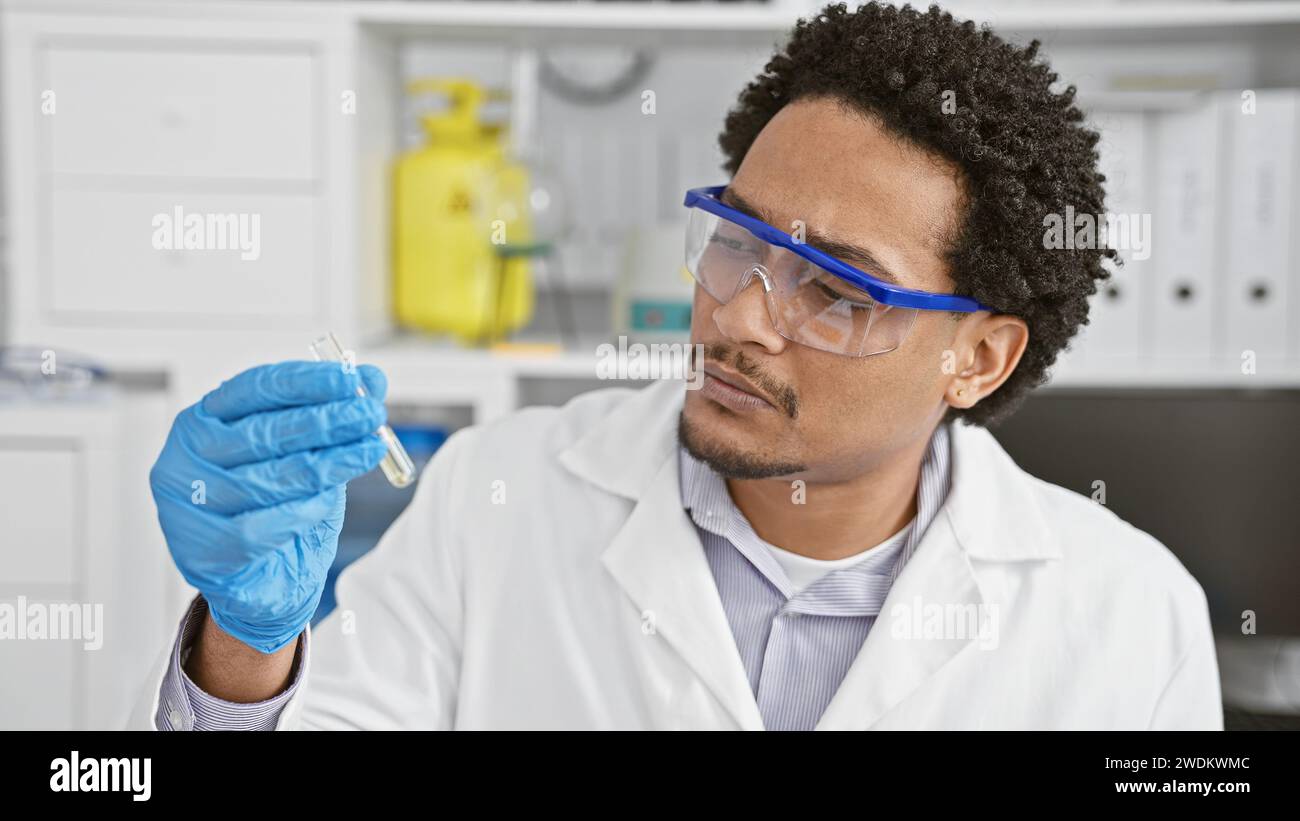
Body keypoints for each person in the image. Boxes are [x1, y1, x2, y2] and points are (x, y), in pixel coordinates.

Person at [130, 2, 1221, 730]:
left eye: (836, 290)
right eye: (739, 239)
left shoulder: (1124, 612)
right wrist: (243, 650)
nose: (739, 313)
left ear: (976, 357)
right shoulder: (495, 495)